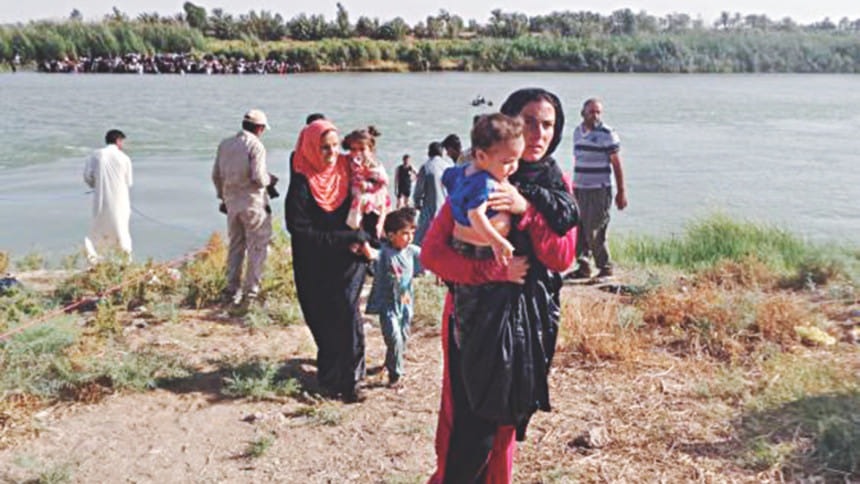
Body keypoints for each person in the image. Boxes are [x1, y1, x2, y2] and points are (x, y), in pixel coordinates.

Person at [423, 88, 578, 484]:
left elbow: (563, 257)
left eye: (548, 125)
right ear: (508, 125)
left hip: (531, 319)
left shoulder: (556, 183)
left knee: (506, 421)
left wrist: (525, 209)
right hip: (472, 316)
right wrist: (491, 272)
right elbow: (433, 254)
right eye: (529, 122)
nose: (539, 134)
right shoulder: (477, 178)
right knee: (469, 423)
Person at [285, 118, 375, 403]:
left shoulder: (349, 170)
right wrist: (344, 237)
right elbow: (300, 230)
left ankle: (352, 381)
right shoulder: (302, 181)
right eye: (325, 147)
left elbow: (372, 197)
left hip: (349, 261)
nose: (332, 153)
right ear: (312, 148)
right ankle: (329, 375)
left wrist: (367, 236)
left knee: (348, 314)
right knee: (322, 319)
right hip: (314, 264)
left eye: (336, 146)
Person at [441, 113, 524, 266]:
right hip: (483, 248)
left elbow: (446, 178)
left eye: (518, 159)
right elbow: (475, 215)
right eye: (508, 162)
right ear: (481, 156)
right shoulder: (484, 183)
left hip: (461, 242)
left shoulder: (460, 172)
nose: (515, 167)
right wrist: (497, 242)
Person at [211, 109, 274, 305]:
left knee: (236, 246)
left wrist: (222, 197)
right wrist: (270, 180)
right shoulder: (256, 145)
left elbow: (216, 175)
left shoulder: (225, 144)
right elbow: (259, 177)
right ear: (260, 128)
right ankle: (251, 293)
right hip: (253, 203)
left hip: (231, 203)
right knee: (257, 247)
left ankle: (231, 289)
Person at [570, 98, 627, 280]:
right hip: (579, 188)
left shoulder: (607, 134)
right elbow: (579, 160)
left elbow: (617, 164)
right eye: (591, 112)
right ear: (582, 113)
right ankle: (583, 267)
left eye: (598, 112)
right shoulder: (577, 132)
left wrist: (621, 192)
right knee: (579, 229)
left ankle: (605, 268)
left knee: (595, 230)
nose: (595, 116)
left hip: (599, 189)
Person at [365, 207, 421, 387]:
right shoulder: (384, 252)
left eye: (412, 233)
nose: (410, 237)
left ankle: (390, 362)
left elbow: (429, 256)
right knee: (394, 337)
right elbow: (370, 253)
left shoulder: (411, 251)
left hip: (405, 299)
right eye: (405, 233)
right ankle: (395, 376)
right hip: (387, 302)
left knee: (403, 335)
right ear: (391, 235)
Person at [83, 129, 133, 263]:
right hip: (120, 201)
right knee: (121, 230)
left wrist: (97, 186)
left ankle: (95, 260)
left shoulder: (95, 155)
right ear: (118, 141)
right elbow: (128, 182)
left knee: (97, 230)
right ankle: (125, 262)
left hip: (100, 200)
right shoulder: (124, 158)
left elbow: (87, 177)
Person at [343, 126, 389, 248]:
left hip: (371, 202)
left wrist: (367, 185)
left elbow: (382, 182)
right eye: (353, 149)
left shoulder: (373, 164)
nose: (357, 153)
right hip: (354, 197)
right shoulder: (348, 161)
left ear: (371, 149)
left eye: (362, 149)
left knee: (371, 231)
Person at [413, 142, 453, 246]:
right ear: (442, 153)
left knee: (420, 239)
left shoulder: (426, 167)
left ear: (429, 152)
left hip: (430, 208)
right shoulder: (448, 167)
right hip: (446, 208)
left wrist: (417, 203)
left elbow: (419, 190)